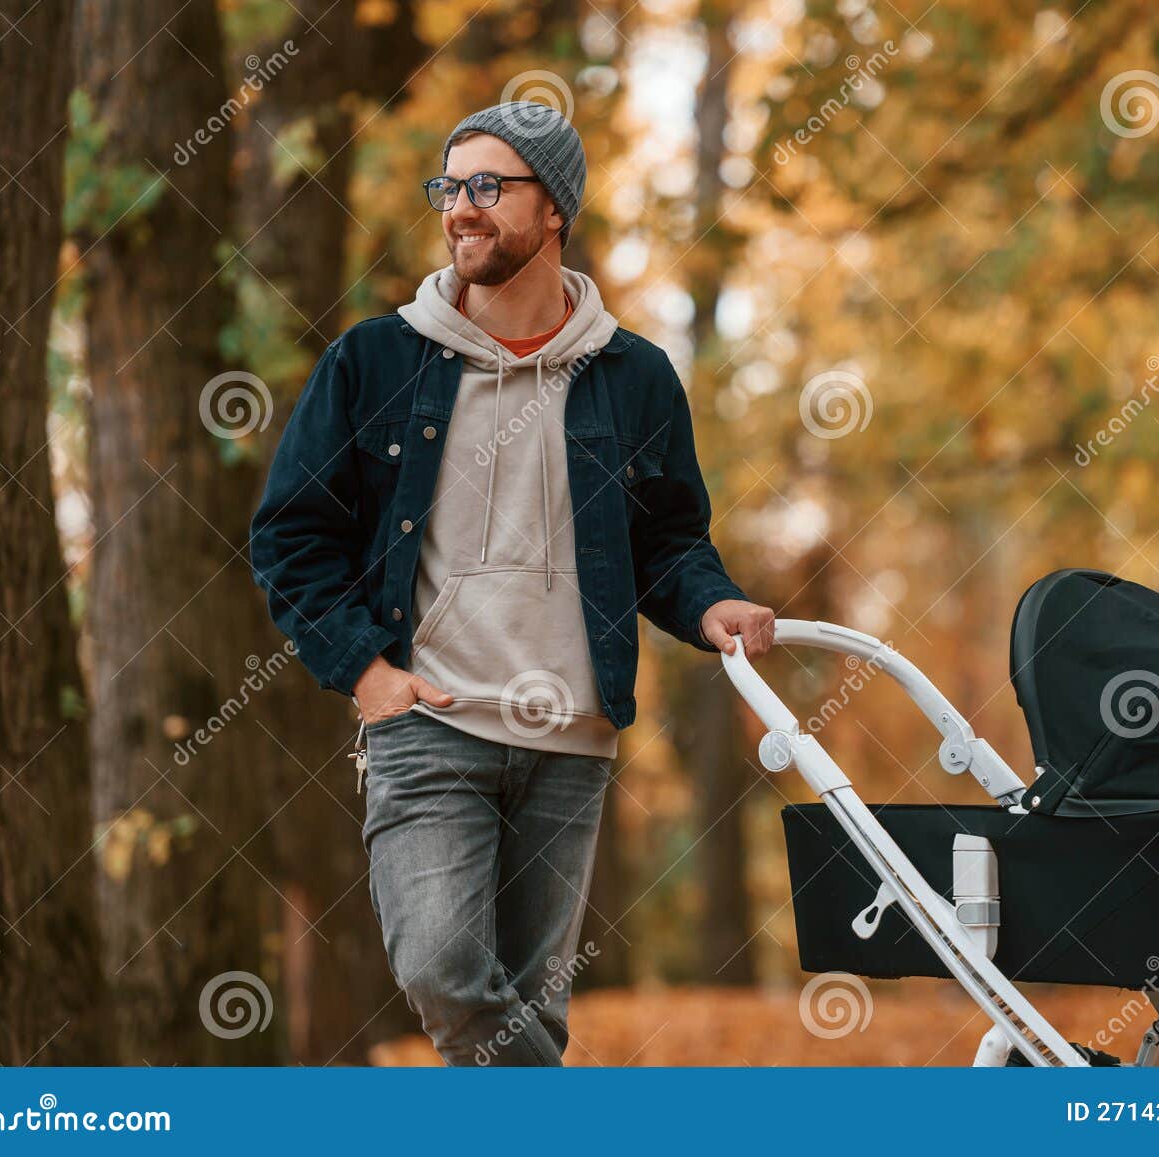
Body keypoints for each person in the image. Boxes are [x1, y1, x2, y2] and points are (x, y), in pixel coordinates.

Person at [249, 101, 773, 1065]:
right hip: (429, 721)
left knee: (529, 1019)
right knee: (447, 970)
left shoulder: (634, 376)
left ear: (555, 208)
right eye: (449, 188)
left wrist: (711, 604)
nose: (461, 208)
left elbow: (668, 542)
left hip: (569, 737)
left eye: (489, 186)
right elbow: (291, 536)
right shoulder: (373, 363)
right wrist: (369, 675)